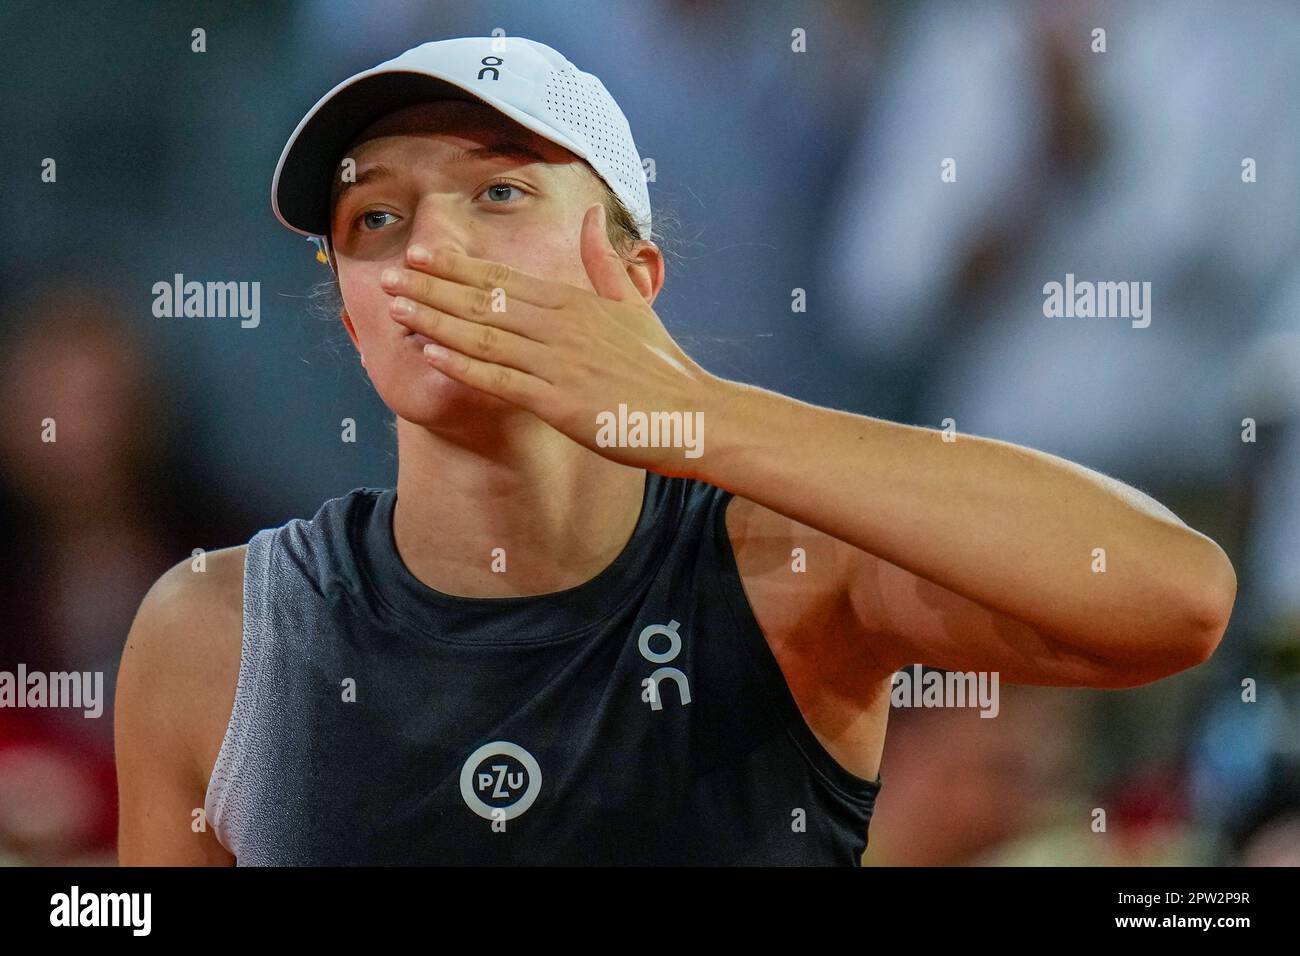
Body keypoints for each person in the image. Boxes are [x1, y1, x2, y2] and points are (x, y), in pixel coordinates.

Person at [114, 35, 1237, 866]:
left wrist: (689, 409)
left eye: (498, 191)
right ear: (354, 317)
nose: (432, 250)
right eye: (376, 219)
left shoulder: (788, 570)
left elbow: (1173, 596)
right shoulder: (219, 627)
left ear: (636, 281)